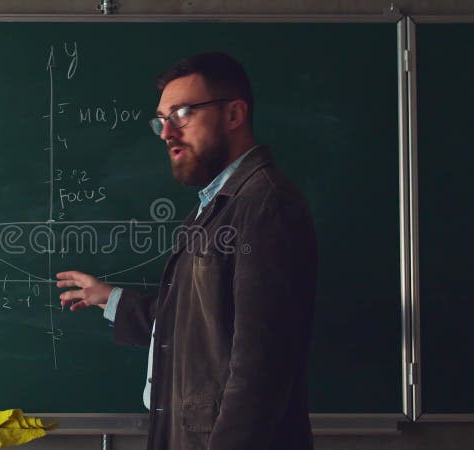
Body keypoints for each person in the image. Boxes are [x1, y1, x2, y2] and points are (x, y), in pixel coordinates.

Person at [57, 52, 317, 450]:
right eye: (162, 120)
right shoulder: (212, 206)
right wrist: (109, 298)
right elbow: (192, 321)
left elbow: (261, 371)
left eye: (182, 113)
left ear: (234, 114)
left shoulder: (266, 204)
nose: (166, 133)